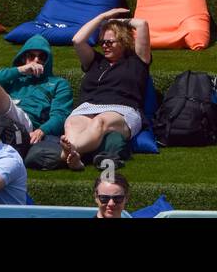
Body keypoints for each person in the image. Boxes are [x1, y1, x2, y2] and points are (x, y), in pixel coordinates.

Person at [60, 9, 152, 171]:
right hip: (88, 107)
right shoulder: (95, 61)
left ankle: (68, 152)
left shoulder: (137, 61)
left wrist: (116, 22)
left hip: (122, 109)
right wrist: (103, 17)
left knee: (100, 122)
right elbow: (77, 40)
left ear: (123, 41)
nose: (104, 46)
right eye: (102, 42)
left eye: (110, 42)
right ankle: (74, 157)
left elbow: (142, 24)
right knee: (72, 122)